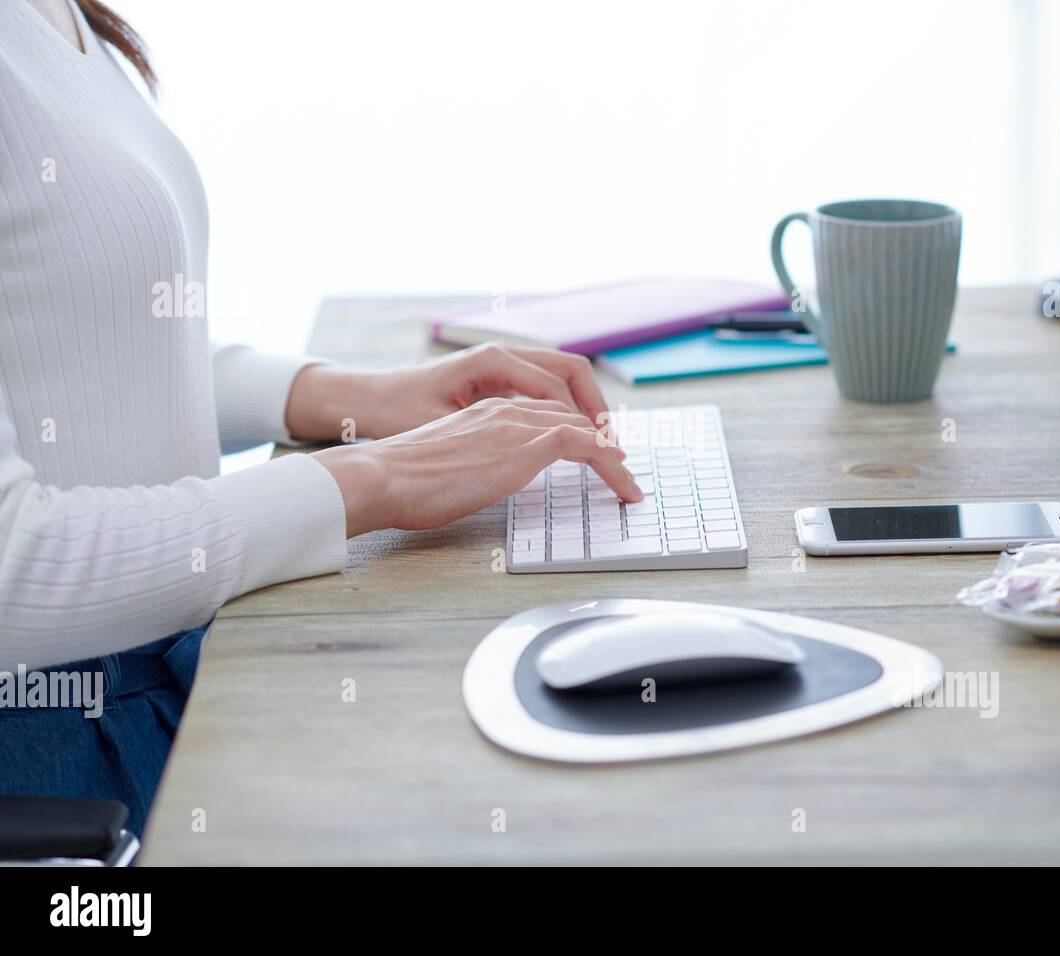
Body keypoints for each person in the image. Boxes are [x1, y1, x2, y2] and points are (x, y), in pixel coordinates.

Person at [0, 0, 642, 833]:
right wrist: (381, 477)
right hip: (67, 758)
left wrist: (353, 399)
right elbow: (15, 571)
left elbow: (74, 348)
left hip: (161, 671)